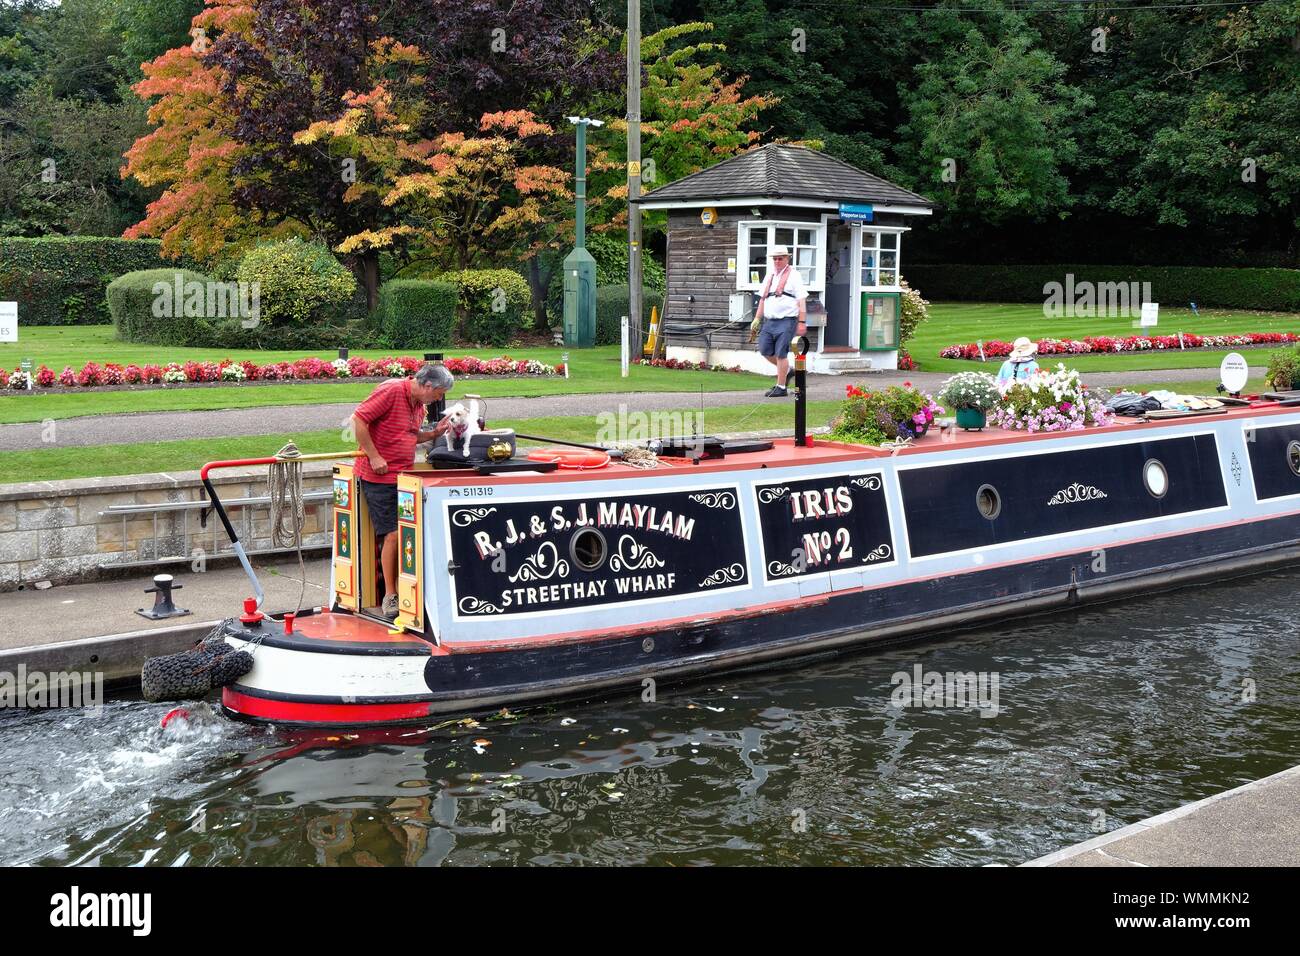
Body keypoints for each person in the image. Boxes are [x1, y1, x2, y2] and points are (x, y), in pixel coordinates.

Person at [352, 363, 455, 620]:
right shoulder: (391, 391)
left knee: (409, 532)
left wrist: (433, 433)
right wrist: (374, 457)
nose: (439, 399)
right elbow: (359, 420)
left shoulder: (418, 405)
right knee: (394, 535)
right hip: (379, 476)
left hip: (405, 476)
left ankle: (413, 589)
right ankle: (390, 594)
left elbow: (409, 435)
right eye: (439, 393)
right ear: (428, 386)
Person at [750, 245, 807, 397]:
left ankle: (781, 387)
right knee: (764, 349)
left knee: (781, 352)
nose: (777, 261)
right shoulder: (769, 276)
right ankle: (787, 371)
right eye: (774, 258)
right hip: (770, 321)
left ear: (787, 259)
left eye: (780, 258)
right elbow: (763, 299)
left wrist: (802, 321)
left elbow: (801, 299)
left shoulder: (794, 275)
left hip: (787, 320)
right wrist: (756, 319)